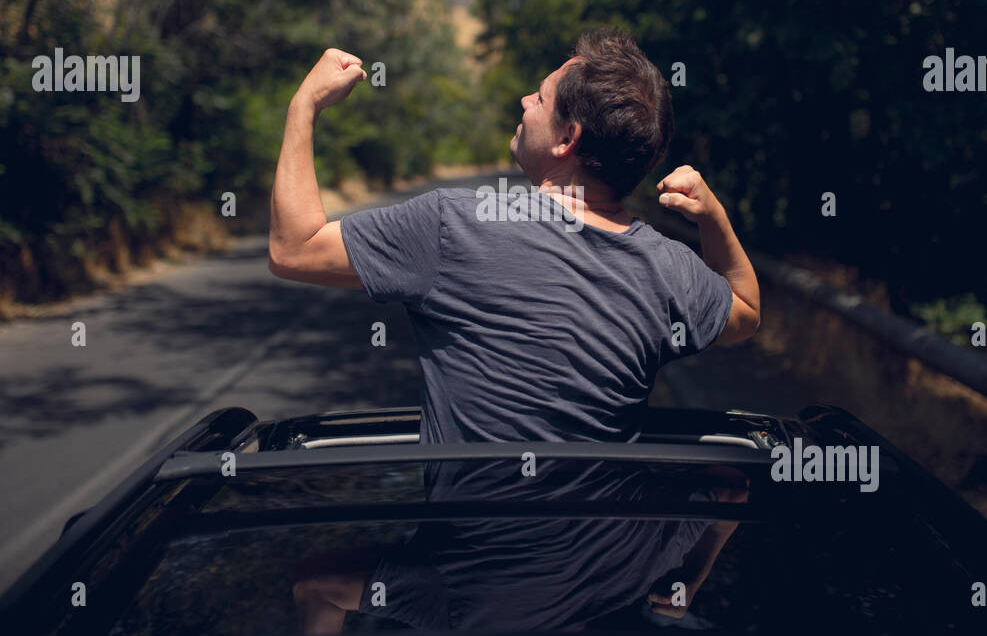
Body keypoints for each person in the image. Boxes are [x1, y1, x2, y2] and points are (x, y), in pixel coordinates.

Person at [268, 27, 761, 445]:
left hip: (463, 559)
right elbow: (746, 310)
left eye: (541, 98)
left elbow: (294, 249)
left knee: (314, 566)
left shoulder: (452, 223)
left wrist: (304, 105)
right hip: (619, 558)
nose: (525, 101)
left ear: (568, 139)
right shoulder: (668, 267)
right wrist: (713, 215)